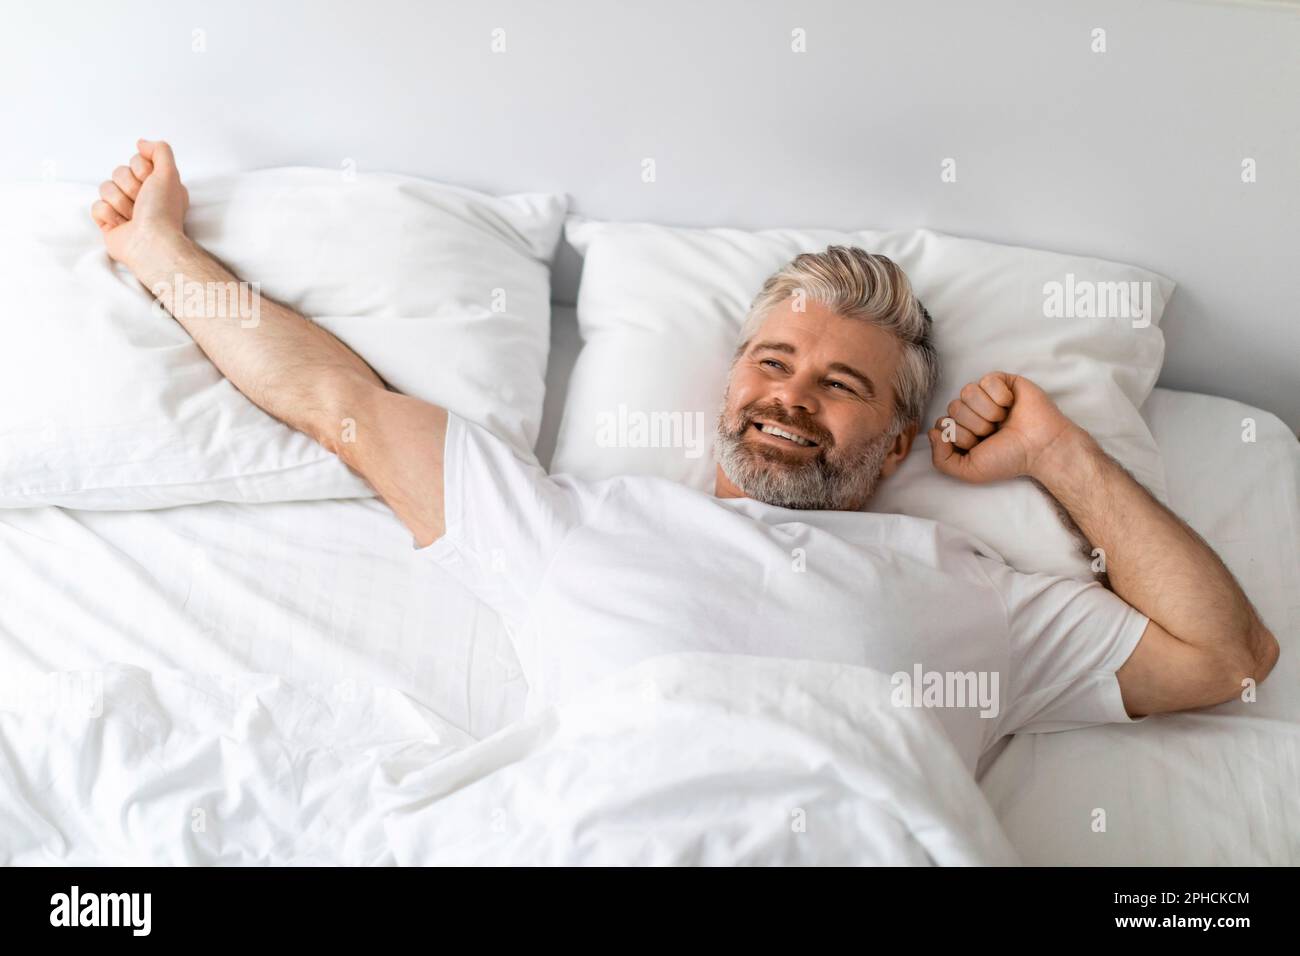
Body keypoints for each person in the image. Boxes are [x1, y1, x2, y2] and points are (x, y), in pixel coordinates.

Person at [90, 139, 1279, 773]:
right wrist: (159, 254)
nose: (789, 397)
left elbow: (1227, 658)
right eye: (770, 362)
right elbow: (336, 401)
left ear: (900, 440)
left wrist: (1059, 452)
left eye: (840, 382)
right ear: (726, 383)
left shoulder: (969, 584)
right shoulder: (565, 517)